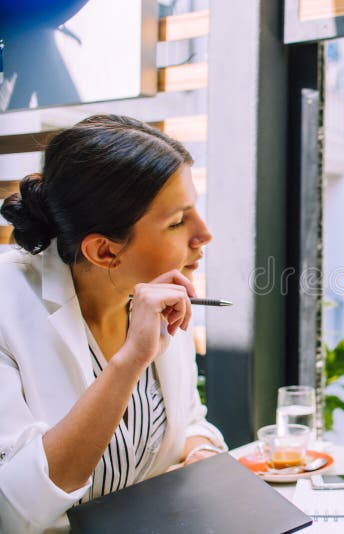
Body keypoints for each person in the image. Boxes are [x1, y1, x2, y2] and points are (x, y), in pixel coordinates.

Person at [0, 115, 227, 533]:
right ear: (104, 251)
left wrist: (201, 456)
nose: (204, 234)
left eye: (194, 209)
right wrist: (129, 362)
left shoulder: (154, 292)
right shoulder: (6, 308)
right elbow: (13, 509)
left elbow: (188, 422)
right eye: (178, 221)